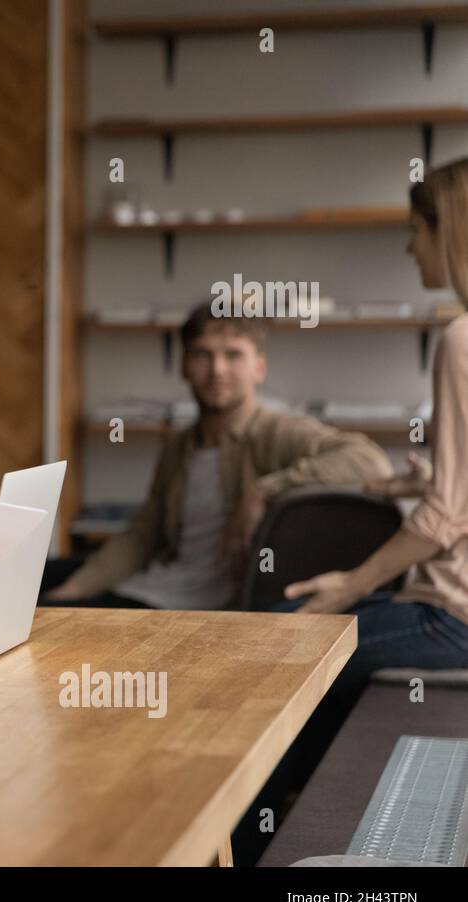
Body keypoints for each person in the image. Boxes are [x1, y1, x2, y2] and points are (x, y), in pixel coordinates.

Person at [44, 302, 392, 610]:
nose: (217, 370)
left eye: (233, 354)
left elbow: (369, 461)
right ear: (183, 366)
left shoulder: (277, 430)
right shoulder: (178, 447)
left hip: (200, 609)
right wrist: (72, 592)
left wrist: (262, 490)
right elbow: (142, 536)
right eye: (202, 354)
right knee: (40, 580)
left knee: (46, 620)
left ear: (259, 367)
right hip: (157, 583)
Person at [283, 157, 468, 709]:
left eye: (415, 230)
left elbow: (447, 519)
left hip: (451, 619)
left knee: (277, 646)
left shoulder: (460, 340)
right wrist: (422, 483)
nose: (409, 248)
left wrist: (350, 585)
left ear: (449, 231)